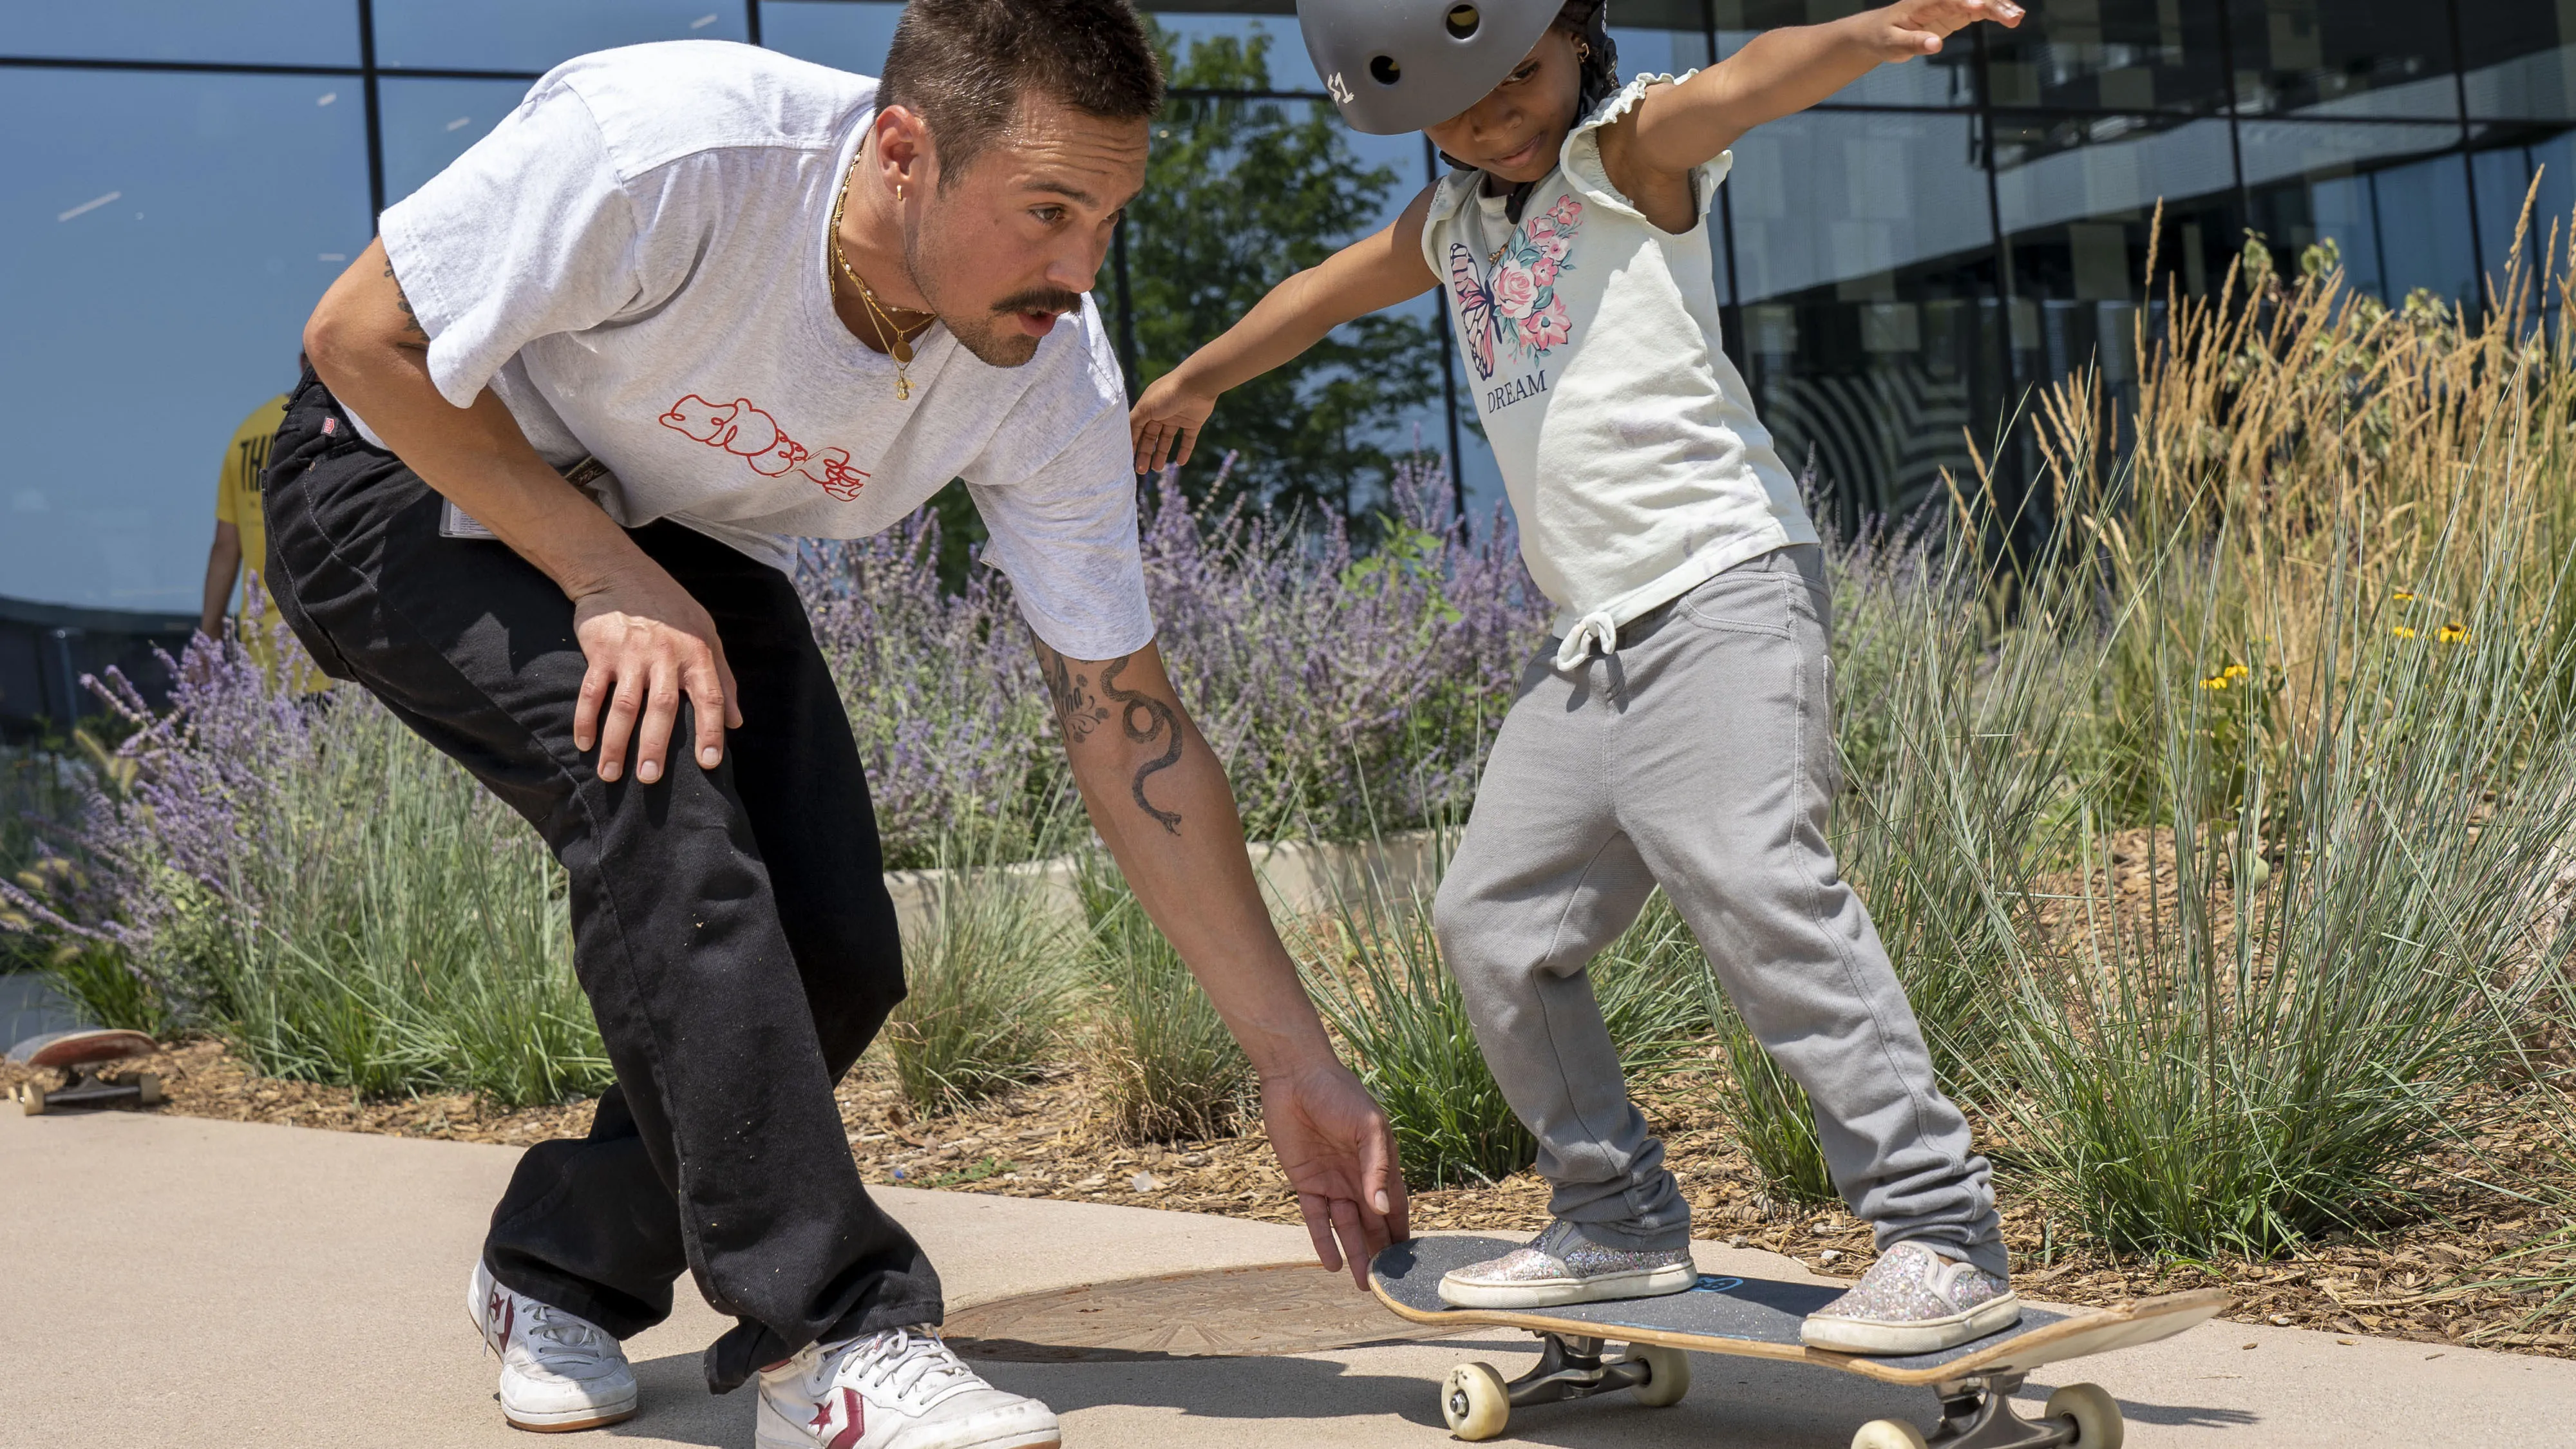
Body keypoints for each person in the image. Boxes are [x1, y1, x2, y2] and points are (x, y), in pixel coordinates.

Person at [278, 5, 1406, 1446]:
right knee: (654, 786)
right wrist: (603, 574)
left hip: (656, 525)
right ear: (901, 153)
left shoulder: (1045, 375)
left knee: (833, 955)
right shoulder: (671, 148)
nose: (1078, 271)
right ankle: (832, 1338)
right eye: (1048, 211)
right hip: (392, 474)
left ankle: (551, 1266)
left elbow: (1126, 725)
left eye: (1108, 220)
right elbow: (360, 338)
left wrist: (1293, 1064)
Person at [1128, 0, 2023, 1356]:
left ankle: (1937, 1231)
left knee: (1751, 875)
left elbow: (1740, 87)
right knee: (1490, 927)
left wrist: (1864, 34)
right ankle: (1611, 1221)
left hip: (1720, 589)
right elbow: (1321, 294)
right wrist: (1198, 374)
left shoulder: (1623, 153)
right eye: (1460, 100)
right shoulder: (1450, 228)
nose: (1494, 116)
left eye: (1520, 77)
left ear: (1574, 47)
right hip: (1585, 650)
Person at [198, 392, 290, 659]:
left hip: (262, 643)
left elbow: (226, 545)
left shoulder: (249, 432)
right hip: (337, 647)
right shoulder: (342, 423)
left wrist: (209, 637)